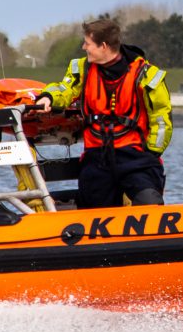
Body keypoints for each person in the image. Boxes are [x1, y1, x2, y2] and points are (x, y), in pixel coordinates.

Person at [39, 17, 173, 207]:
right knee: (93, 206)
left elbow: (161, 119)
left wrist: (151, 152)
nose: (84, 48)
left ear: (103, 46)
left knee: (148, 199)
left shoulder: (146, 75)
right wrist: (48, 97)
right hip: (97, 157)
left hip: (135, 157)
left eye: (87, 43)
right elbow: (65, 89)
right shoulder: (83, 69)